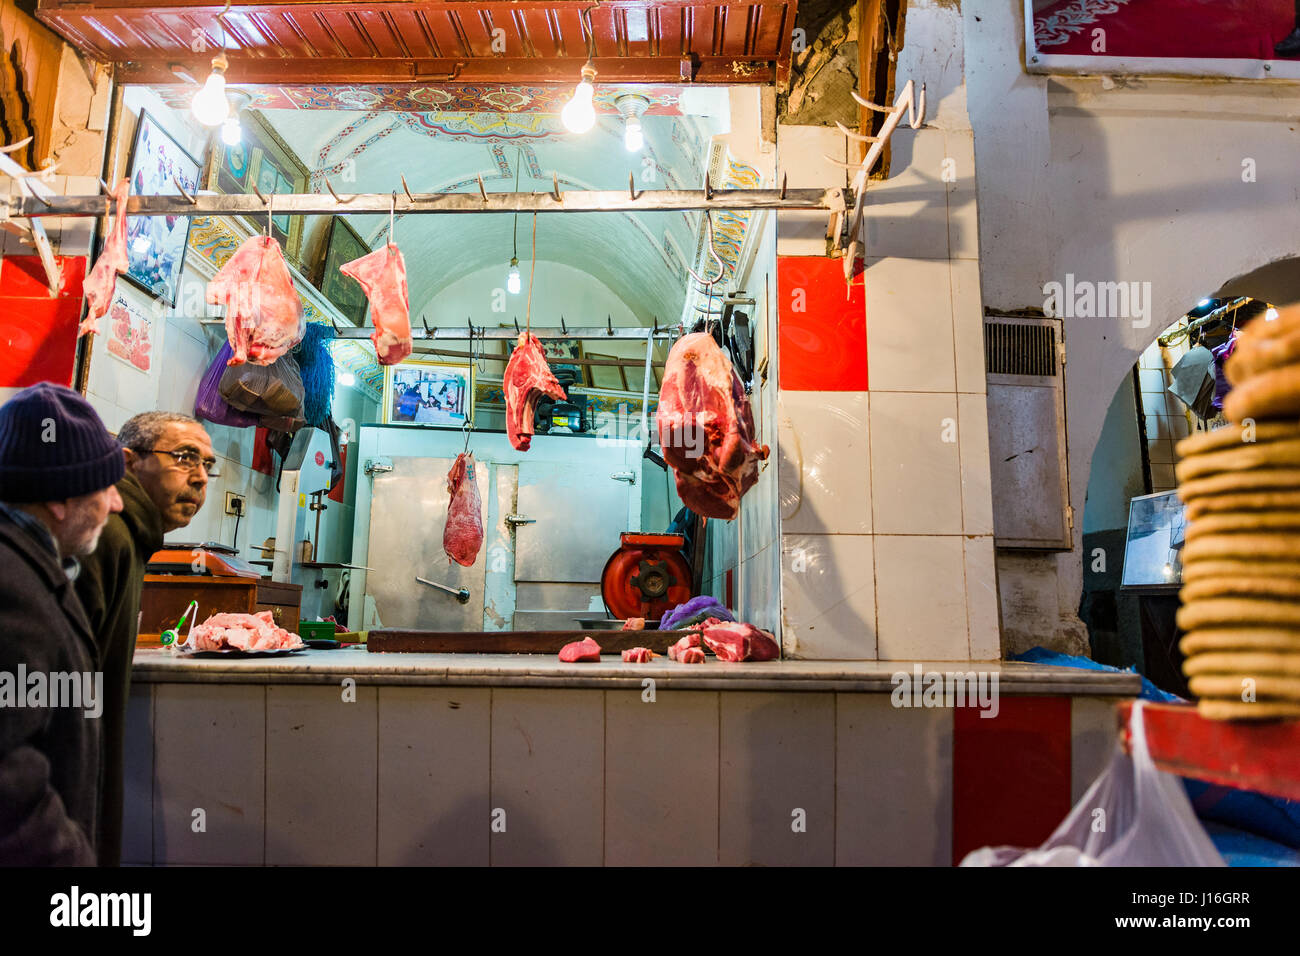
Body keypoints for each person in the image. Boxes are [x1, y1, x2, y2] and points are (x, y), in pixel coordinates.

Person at [75, 410, 213, 866]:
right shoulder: (105, 536)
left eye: (207, 465)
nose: (199, 479)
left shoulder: (130, 536)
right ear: (128, 462)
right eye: (184, 458)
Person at [0, 383, 125, 865]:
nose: (115, 504)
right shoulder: (10, 590)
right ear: (58, 500)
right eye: (106, 487)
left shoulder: (32, 568)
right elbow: (6, 776)